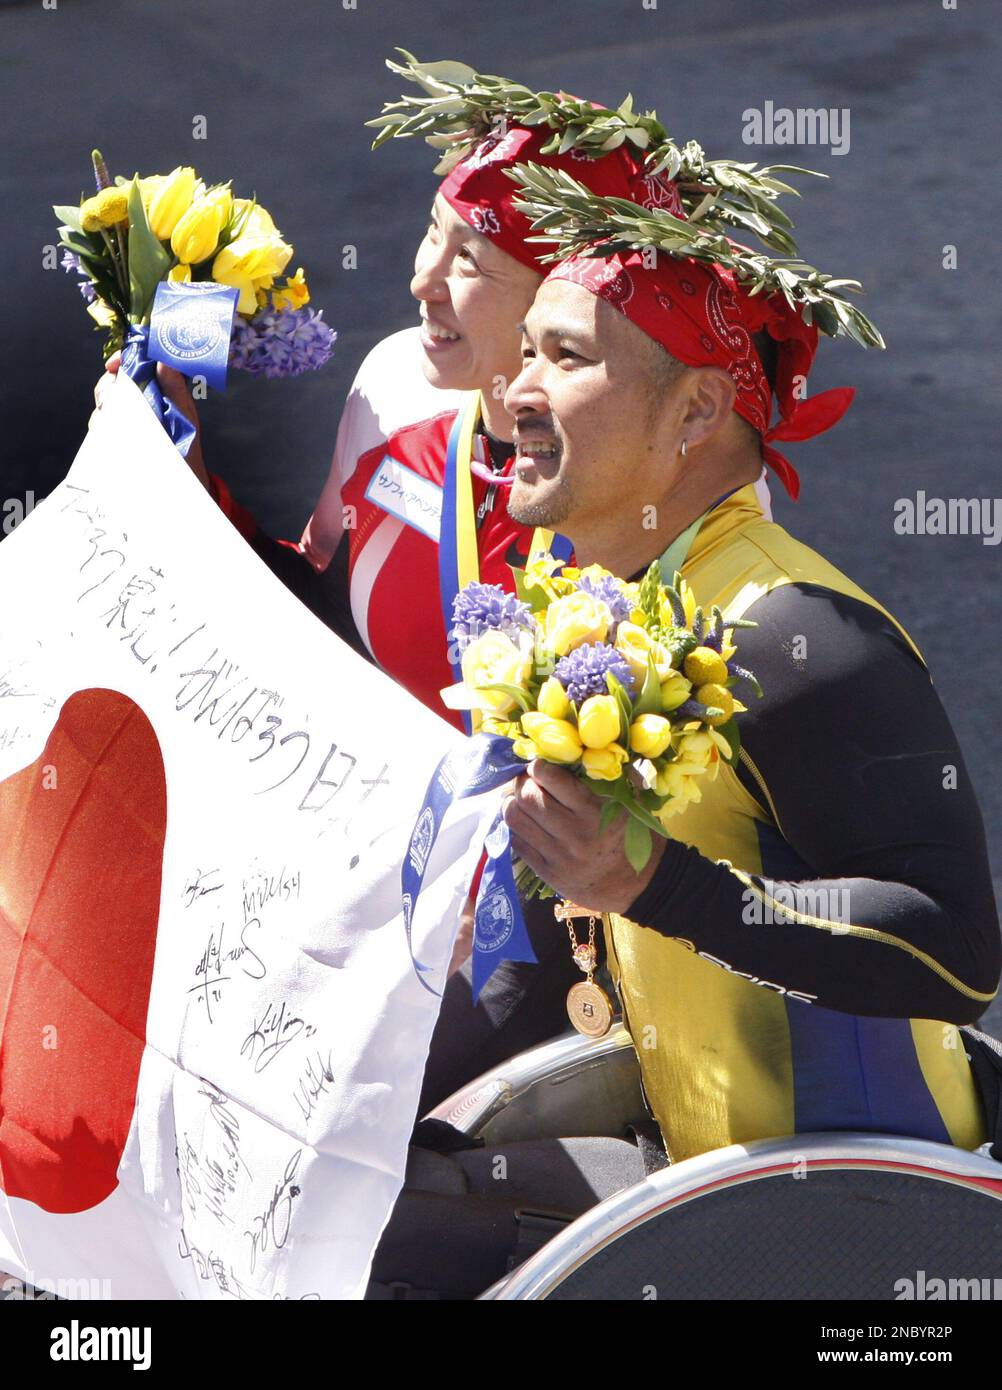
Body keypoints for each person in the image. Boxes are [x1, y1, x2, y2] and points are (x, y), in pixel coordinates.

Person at [366, 156, 1001, 1299]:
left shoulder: (793, 636)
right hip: (699, 1171)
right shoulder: (608, 603)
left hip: (853, 1232)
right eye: (530, 351)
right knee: (362, 1203)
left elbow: (955, 952)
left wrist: (658, 883)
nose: (514, 389)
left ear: (698, 409)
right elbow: (535, 951)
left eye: (564, 358)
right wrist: (348, 1096)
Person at [104, 58, 790, 1112]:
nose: (421, 277)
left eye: (468, 256)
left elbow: (663, 784)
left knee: (301, 1118)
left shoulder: (660, 482)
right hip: (364, 866)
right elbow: (321, 639)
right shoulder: (392, 390)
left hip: (548, 924)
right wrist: (177, 457)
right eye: (433, 233)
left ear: (567, 288)